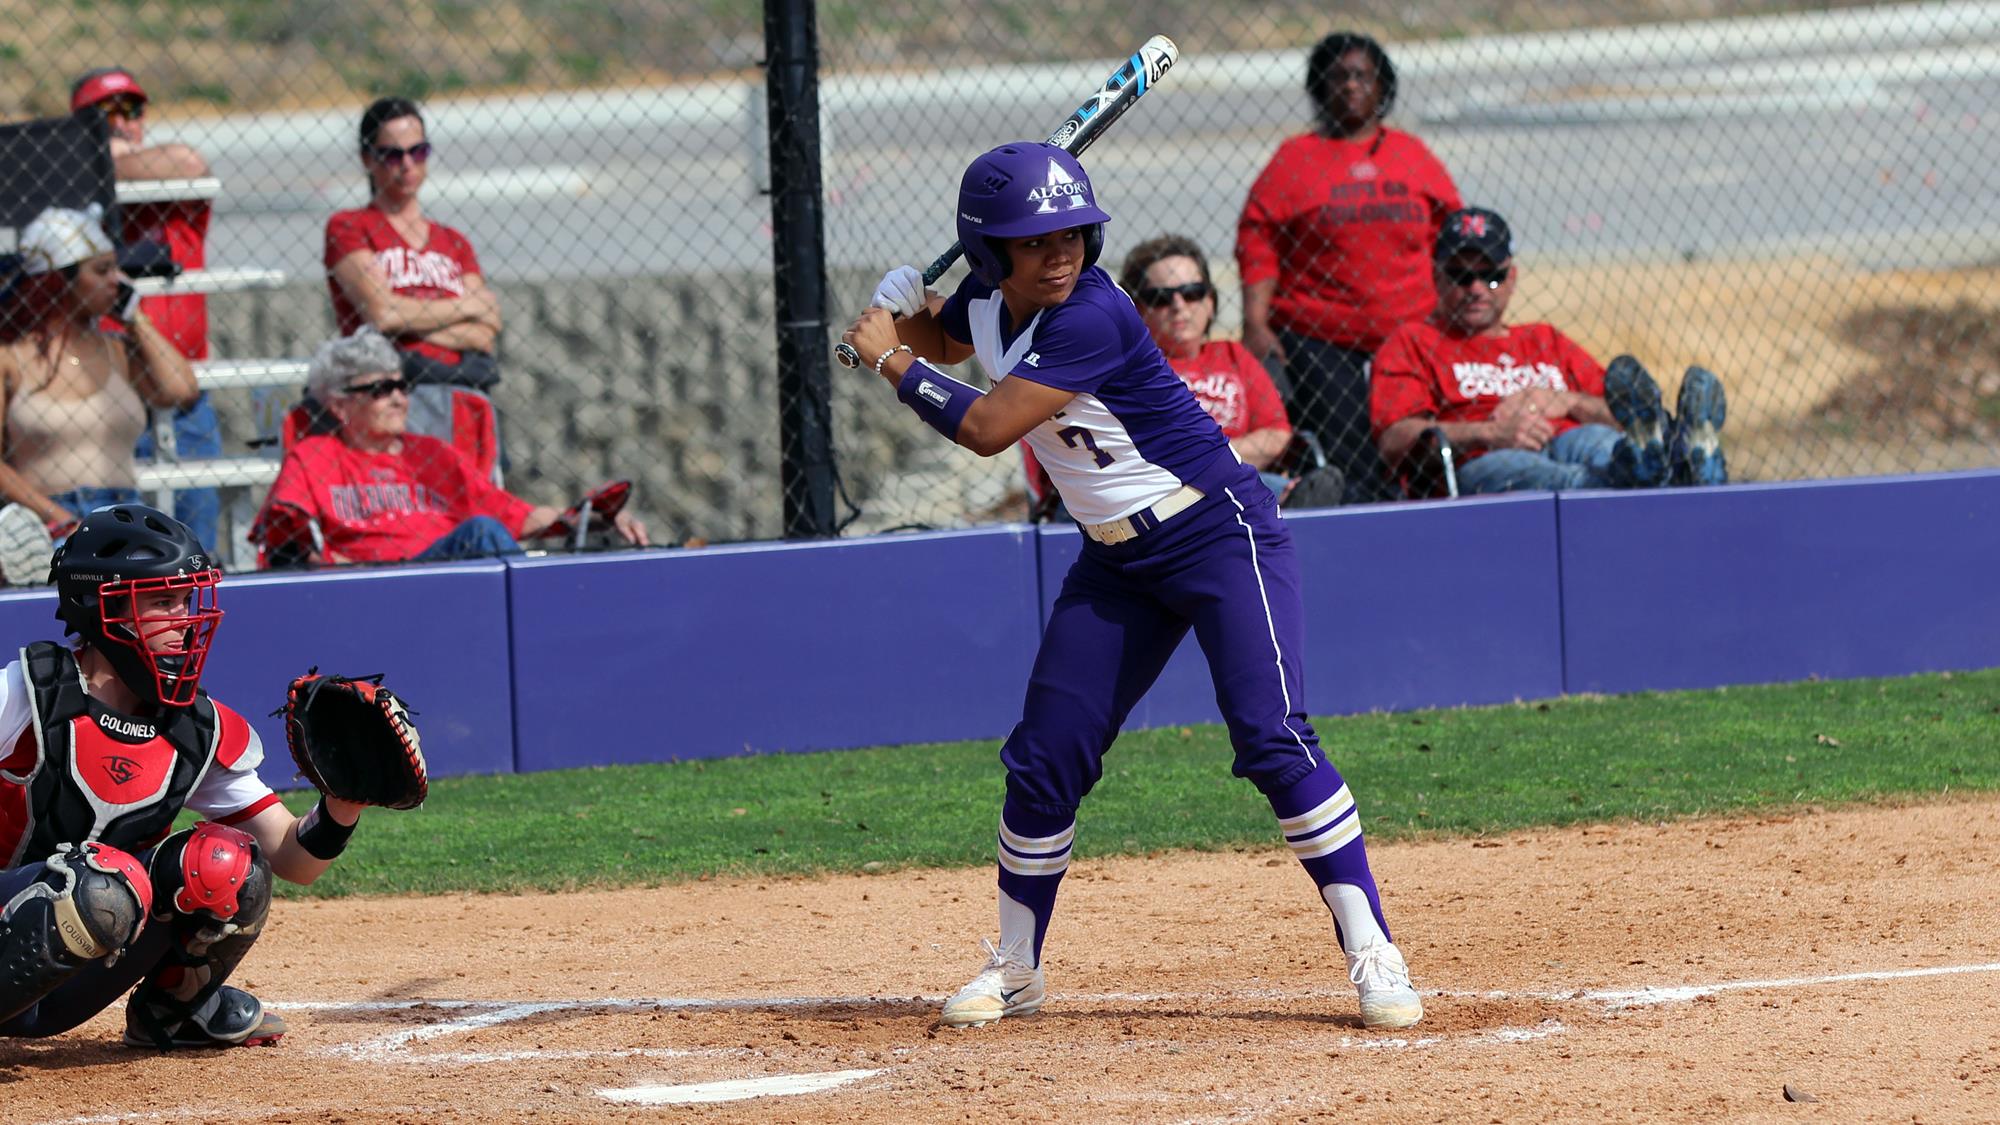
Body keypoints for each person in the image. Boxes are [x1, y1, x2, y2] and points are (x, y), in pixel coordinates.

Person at [841, 142, 1424, 1032]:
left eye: (1074, 232)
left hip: (1217, 531)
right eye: (1037, 241)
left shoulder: (1095, 316)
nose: (1062, 252)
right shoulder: (994, 298)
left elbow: (989, 425)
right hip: (1116, 560)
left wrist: (891, 363)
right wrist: (897, 318)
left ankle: (1373, 947)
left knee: (1271, 737)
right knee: (1046, 755)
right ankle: (1017, 965)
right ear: (992, 253)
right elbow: (946, 337)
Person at [0, 504, 374, 1048]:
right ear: (103, 607)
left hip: (74, 963)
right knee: (98, 882)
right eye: (161, 602)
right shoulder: (24, 696)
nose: (182, 619)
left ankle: (174, 1014)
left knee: (229, 867)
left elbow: (293, 859)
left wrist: (343, 806)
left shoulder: (194, 730)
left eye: (184, 600)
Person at [1236, 31, 1461, 503]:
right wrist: (1255, 322)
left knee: (1416, 438)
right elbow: (1258, 241)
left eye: (1363, 75)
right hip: (1320, 337)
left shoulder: (1411, 154)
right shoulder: (1296, 158)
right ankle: (1357, 515)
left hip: (1411, 332)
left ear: (1383, 86)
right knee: (1349, 458)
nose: (1352, 85)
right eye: (1339, 76)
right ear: (1320, 86)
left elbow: (1453, 236)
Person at [1371, 207, 1729, 494]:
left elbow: (1630, 416)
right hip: (1486, 460)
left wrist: (1569, 402)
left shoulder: (1544, 339)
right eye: (1461, 276)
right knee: (1560, 478)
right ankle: (1680, 477)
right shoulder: (1412, 341)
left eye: (1491, 276)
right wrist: (1491, 434)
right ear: (1437, 277)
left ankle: (1658, 466)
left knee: (1603, 444)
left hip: (1574, 438)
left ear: (1511, 278)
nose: (1477, 289)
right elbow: (1394, 439)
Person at [257, 327, 646, 565]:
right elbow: (287, 539)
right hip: (375, 584)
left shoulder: (432, 455)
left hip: (448, 574)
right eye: (380, 389)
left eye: (401, 385)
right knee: (481, 534)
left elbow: (514, 515)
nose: (398, 398)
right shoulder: (315, 456)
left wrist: (593, 517)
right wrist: (340, 570)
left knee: (486, 530)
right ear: (339, 404)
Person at [70, 66, 225, 553]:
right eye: (103, 115)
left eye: (130, 111)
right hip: (108, 405)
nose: (120, 123)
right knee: (118, 559)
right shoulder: (71, 205)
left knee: (194, 556)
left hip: (183, 400)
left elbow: (189, 161)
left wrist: (97, 161)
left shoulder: (170, 189)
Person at [0, 206, 200, 547]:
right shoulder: (11, 358)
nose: (117, 281)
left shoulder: (117, 350)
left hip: (126, 513)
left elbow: (181, 390)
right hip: (48, 521)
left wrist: (135, 316)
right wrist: (60, 521)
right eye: (102, 270)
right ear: (59, 279)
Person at [324, 96, 503, 452]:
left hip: (462, 392)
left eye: (418, 152)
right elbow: (382, 315)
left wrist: (409, 320)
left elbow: (486, 329)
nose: (407, 165)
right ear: (367, 159)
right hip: (393, 397)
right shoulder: (349, 227)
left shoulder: (453, 242)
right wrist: (465, 307)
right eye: (392, 154)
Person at [1117, 234, 1346, 508]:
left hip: (1239, 478)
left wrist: (1211, 459)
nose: (1179, 307)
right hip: (1165, 495)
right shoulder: (1130, 369)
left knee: (1274, 486)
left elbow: (1276, 434)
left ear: (1210, 301)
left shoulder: (1232, 355)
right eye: (1161, 298)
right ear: (1137, 309)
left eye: (1192, 293)